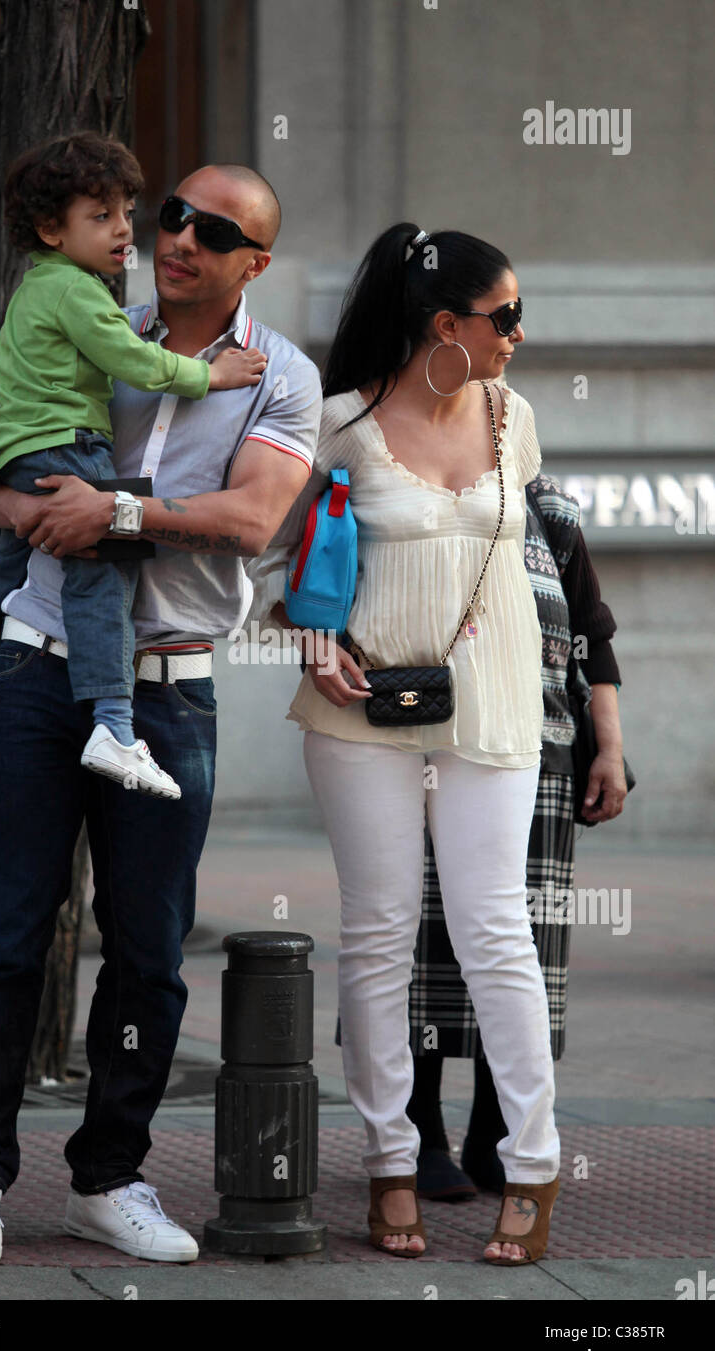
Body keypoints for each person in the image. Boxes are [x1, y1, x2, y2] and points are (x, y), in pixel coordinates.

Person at [0, 163, 322, 1266]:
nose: (179, 236)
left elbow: (251, 519)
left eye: (215, 228)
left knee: (147, 953)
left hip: (170, 691)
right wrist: (24, 507)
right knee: (5, 934)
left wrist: (112, 511)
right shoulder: (82, 309)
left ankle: (108, 1175)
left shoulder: (278, 376)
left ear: (255, 260)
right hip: (33, 672)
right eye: (170, 215)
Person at [247, 223, 562, 1263]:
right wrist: (306, 640)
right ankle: (389, 1161)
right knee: (379, 933)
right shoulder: (340, 423)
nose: (517, 332)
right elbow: (268, 566)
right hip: (359, 711)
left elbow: (540, 564)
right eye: (502, 316)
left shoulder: (514, 420)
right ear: (444, 324)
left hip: (494, 706)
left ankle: (531, 1162)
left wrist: (589, 693)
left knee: (494, 933)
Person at [0, 132, 267, 798]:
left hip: (17, 451)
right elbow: (136, 363)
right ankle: (112, 725)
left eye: (128, 212)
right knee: (104, 582)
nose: (124, 231)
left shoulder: (36, 289)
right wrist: (210, 376)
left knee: (4, 570)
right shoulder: (78, 291)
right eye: (101, 216)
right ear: (51, 228)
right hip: (67, 447)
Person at [406, 476, 627, 1200]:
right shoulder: (411, 481)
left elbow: (593, 633)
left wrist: (610, 750)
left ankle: (492, 1136)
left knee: (524, 943)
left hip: (541, 745)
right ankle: (420, 1134)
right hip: (429, 742)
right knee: (423, 941)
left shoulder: (548, 506)